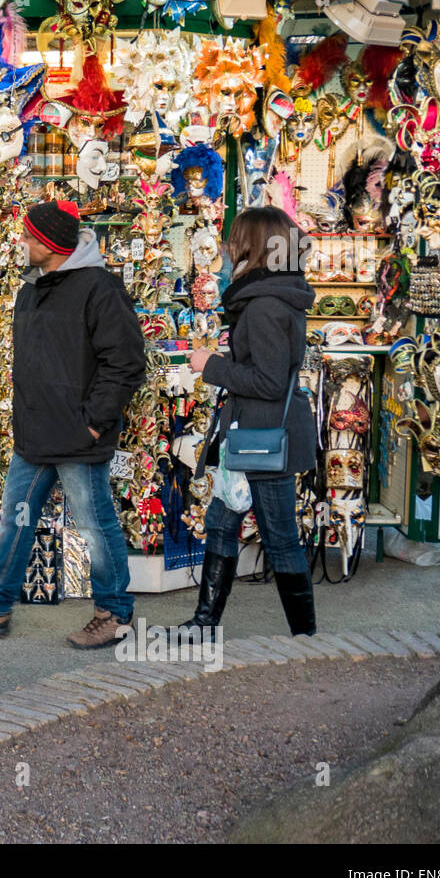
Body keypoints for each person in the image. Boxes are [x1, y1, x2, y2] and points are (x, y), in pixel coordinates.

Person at [0, 200, 146, 648]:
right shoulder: (32, 287)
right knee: (15, 519)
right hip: (35, 432)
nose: (23, 243)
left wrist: (93, 423)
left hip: (77, 434)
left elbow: (125, 363)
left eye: (30, 237)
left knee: (95, 525)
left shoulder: (100, 289)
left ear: (49, 244)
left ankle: (115, 614)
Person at [183, 206, 317, 635]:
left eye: (235, 239)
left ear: (253, 246)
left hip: (262, 438)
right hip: (252, 434)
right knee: (221, 524)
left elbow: (269, 380)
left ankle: (305, 636)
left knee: (279, 539)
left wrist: (212, 365)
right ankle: (204, 623)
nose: (228, 247)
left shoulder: (263, 306)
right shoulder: (275, 297)